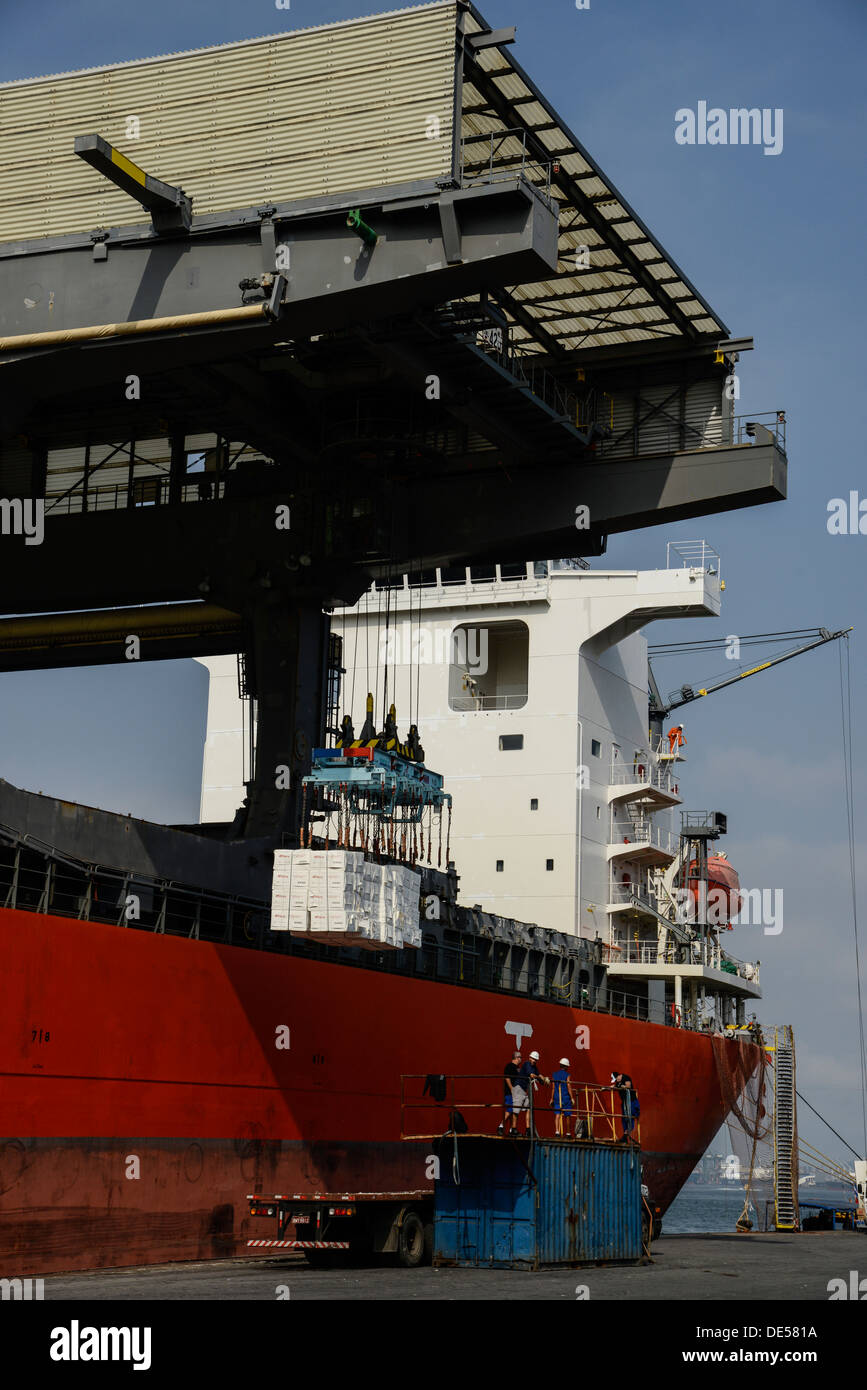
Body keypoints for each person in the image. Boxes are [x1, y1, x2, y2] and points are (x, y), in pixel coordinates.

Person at [516, 1050, 549, 1136]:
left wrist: (544, 1079)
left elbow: (538, 1076)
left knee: (528, 1109)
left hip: (525, 1090)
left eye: (535, 1059)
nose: (534, 1060)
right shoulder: (527, 1064)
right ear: (529, 1058)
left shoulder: (534, 1067)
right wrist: (540, 1077)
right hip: (519, 1088)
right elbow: (532, 1075)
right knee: (515, 1108)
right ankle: (504, 1127)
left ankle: (527, 1130)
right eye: (533, 1058)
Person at [611, 1071, 639, 1141]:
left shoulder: (626, 1077)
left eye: (616, 1079)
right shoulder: (618, 1082)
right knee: (624, 1118)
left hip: (631, 1101)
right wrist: (605, 1088)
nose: (616, 1081)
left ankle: (626, 1135)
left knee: (630, 1117)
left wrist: (624, 1086)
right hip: (625, 1103)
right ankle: (625, 1135)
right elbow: (614, 1086)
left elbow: (628, 1086)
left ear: (619, 1076)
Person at [550, 1058, 574, 1137]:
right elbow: (568, 1085)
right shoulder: (567, 1075)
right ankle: (568, 1133)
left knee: (557, 1114)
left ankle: (557, 1131)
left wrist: (552, 1098)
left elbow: (553, 1087)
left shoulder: (554, 1074)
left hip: (557, 1097)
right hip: (566, 1097)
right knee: (567, 1115)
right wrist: (572, 1098)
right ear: (567, 1066)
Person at [499, 1050, 522, 1135]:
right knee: (510, 1110)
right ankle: (501, 1126)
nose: (521, 1059)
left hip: (517, 1093)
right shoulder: (509, 1066)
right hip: (510, 1093)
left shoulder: (518, 1069)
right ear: (516, 1058)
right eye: (520, 1057)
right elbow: (507, 1078)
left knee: (515, 1111)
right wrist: (511, 1089)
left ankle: (513, 1129)